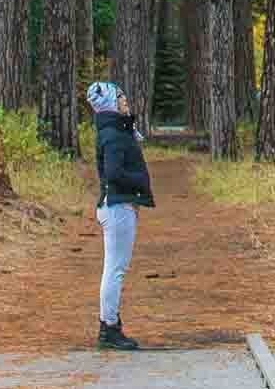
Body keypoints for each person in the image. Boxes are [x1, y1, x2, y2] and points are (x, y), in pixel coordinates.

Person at [86, 79, 154, 351]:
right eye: (122, 99)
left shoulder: (115, 130)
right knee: (115, 270)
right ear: (112, 103)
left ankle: (110, 322)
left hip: (117, 206)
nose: (127, 102)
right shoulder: (114, 135)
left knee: (115, 269)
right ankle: (109, 328)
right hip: (117, 208)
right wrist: (140, 181)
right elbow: (113, 173)